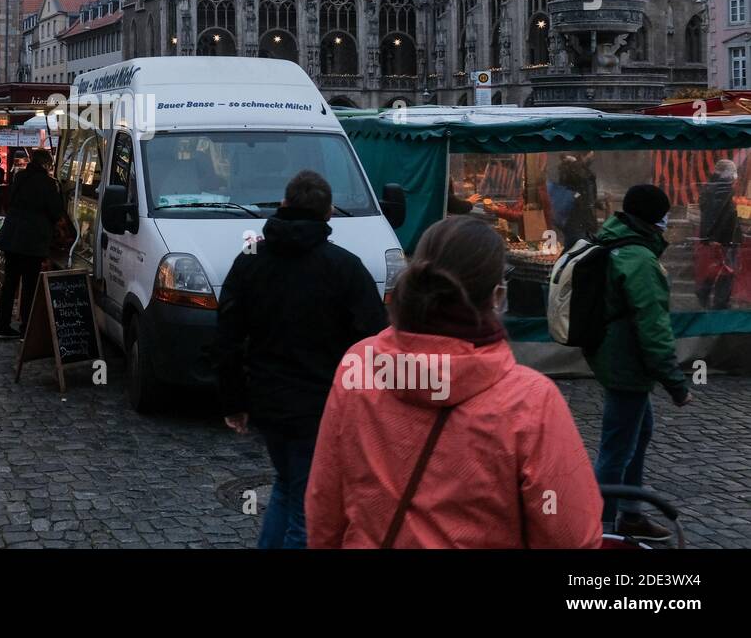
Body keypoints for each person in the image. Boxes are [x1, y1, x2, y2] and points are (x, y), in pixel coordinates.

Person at [305, 215, 604, 548]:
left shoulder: (358, 366)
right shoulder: (530, 401)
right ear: (497, 295)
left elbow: (325, 503)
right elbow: (572, 535)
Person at [213, 170, 386, 549]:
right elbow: (374, 339)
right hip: (322, 405)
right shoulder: (345, 266)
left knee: (288, 488)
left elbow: (227, 334)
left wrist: (234, 400)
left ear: (284, 205)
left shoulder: (250, 259)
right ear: (328, 215)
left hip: (268, 400)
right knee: (305, 508)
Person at [587, 184, 691, 542]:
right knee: (616, 448)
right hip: (627, 364)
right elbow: (653, 325)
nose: (667, 222)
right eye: (663, 215)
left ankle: (629, 516)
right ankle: (598, 531)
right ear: (652, 219)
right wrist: (676, 383)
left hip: (615, 357)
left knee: (638, 433)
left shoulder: (616, 242)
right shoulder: (640, 259)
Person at [0, 149, 65, 340]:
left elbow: (8, 202)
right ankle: (26, 328)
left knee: (9, 283)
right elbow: (56, 211)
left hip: (12, 235)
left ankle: (2, 326)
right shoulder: (49, 184)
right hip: (33, 239)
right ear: (46, 165)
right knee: (30, 285)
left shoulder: (20, 177)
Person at [696, 158, 741, 309]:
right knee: (726, 272)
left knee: (717, 269)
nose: (735, 176)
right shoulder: (722, 189)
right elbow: (715, 215)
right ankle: (720, 304)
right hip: (724, 239)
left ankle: (705, 293)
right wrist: (714, 238)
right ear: (728, 174)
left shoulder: (711, 187)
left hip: (720, 238)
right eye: (733, 172)